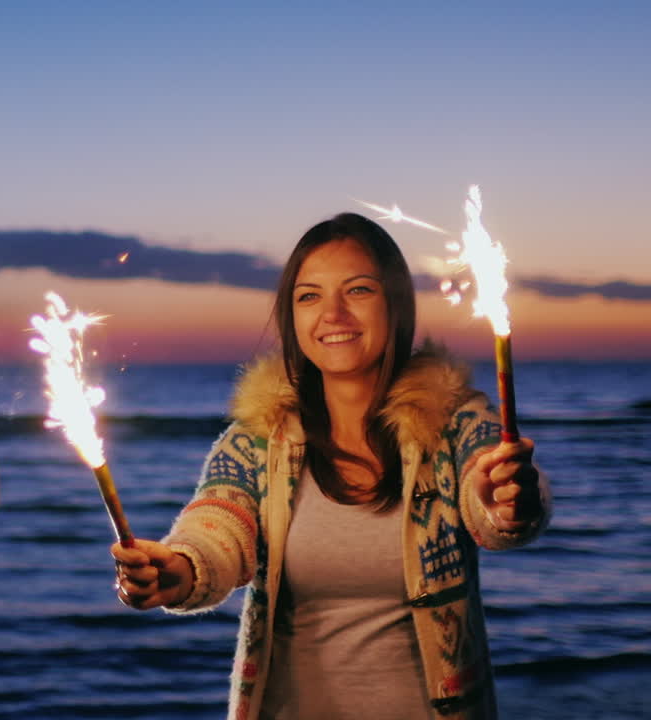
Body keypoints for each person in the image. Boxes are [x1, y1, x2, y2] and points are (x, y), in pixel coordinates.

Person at [111, 213, 550, 720]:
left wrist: (506, 501)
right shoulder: (256, 440)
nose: (333, 314)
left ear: (395, 303)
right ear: (291, 317)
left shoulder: (454, 421)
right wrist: (181, 568)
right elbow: (218, 524)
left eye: (358, 290)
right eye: (309, 296)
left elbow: (491, 493)